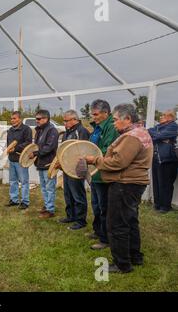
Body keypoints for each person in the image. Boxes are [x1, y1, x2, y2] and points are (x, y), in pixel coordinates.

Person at [85, 104, 153, 273]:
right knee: (130, 221)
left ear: (128, 119)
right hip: (132, 183)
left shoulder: (132, 136)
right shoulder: (139, 133)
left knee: (117, 224)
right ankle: (135, 256)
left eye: (115, 120)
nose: (114, 124)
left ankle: (122, 263)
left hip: (125, 184)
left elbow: (118, 161)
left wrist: (95, 160)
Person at [88, 99, 119, 250]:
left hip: (103, 173)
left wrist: (93, 159)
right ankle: (98, 231)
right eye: (92, 114)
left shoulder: (111, 127)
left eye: (96, 114)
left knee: (104, 206)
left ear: (106, 113)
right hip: (95, 173)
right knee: (96, 205)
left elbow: (106, 149)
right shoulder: (97, 127)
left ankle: (105, 238)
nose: (93, 117)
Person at [58, 110, 90, 230]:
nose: (64, 123)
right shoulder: (67, 132)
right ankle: (70, 215)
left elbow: (84, 149)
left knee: (78, 194)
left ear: (74, 119)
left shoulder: (82, 131)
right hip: (67, 167)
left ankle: (81, 220)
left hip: (76, 169)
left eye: (66, 121)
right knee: (68, 193)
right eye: (64, 121)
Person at [148, 110, 178, 214]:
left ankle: (165, 207)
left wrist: (157, 136)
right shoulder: (159, 127)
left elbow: (158, 136)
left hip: (167, 159)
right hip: (156, 157)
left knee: (166, 183)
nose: (161, 117)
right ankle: (157, 205)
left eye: (163, 115)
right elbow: (149, 131)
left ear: (170, 117)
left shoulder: (174, 126)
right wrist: (158, 136)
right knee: (156, 182)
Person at [31, 110, 59, 219]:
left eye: (38, 119)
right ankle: (47, 205)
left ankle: (50, 210)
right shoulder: (39, 130)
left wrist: (35, 153)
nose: (36, 121)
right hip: (41, 163)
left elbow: (49, 147)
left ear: (46, 119)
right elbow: (37, 145)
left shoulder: (52, 131)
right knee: (43, 187)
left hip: (49, 163)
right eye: (36, 119)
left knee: (49, 187)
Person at [6, 111, 32, 209]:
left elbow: (28, 143)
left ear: (20, 119)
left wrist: (16, 148)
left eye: (14, 118)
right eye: (11, 118)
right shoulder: (10, 130)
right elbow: (8, 143)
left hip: (21, 160)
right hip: (12, 159)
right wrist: (7, 149)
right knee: (13, 181)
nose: (12, 120)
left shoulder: (26, 129)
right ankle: (14, 200)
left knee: (24, 181)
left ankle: (25, 201)